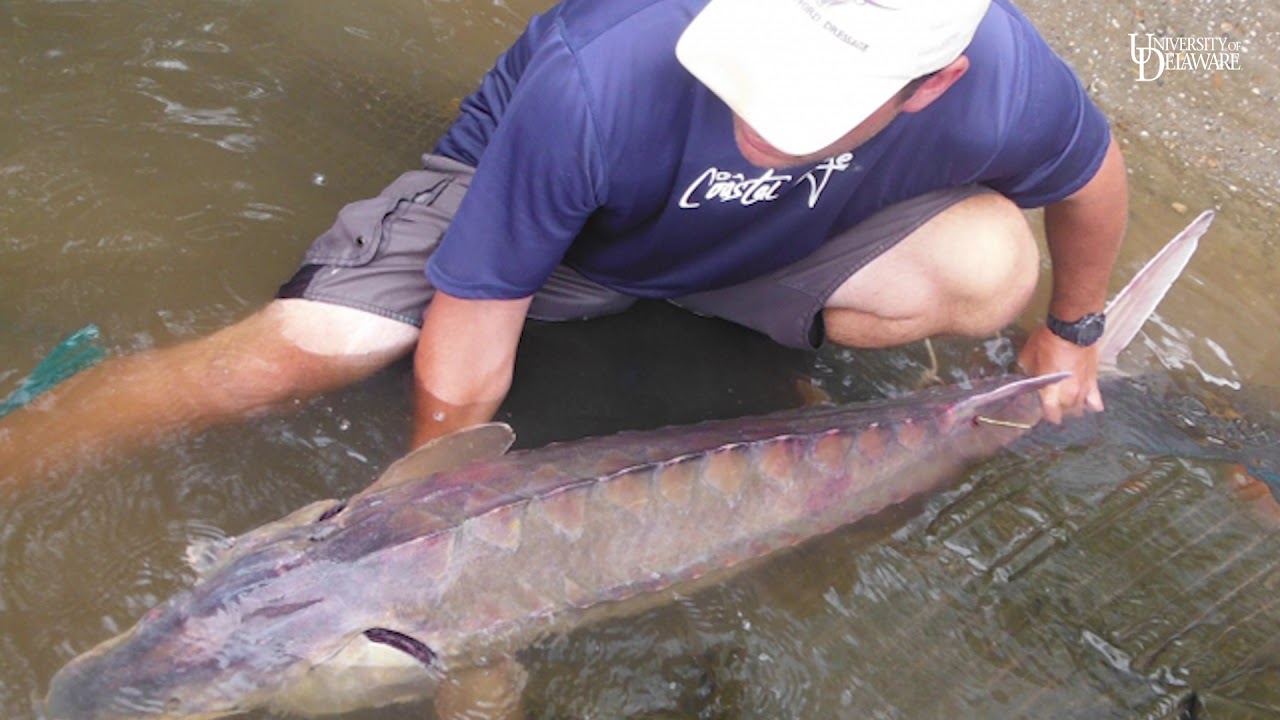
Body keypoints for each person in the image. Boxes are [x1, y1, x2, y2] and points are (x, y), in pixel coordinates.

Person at [0, 0, 1126, 483]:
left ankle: (720, 330)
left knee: (994, 265)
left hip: (758, 245)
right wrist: (427, 498)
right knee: (283, 359)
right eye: (756, 75)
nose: (755, 121)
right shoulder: (604, 71)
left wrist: (1071, 333)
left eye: (810, 102)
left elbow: (1087, 173)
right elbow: (472, 328)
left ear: (935, 82)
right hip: (548, 229)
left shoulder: (1000, 71)